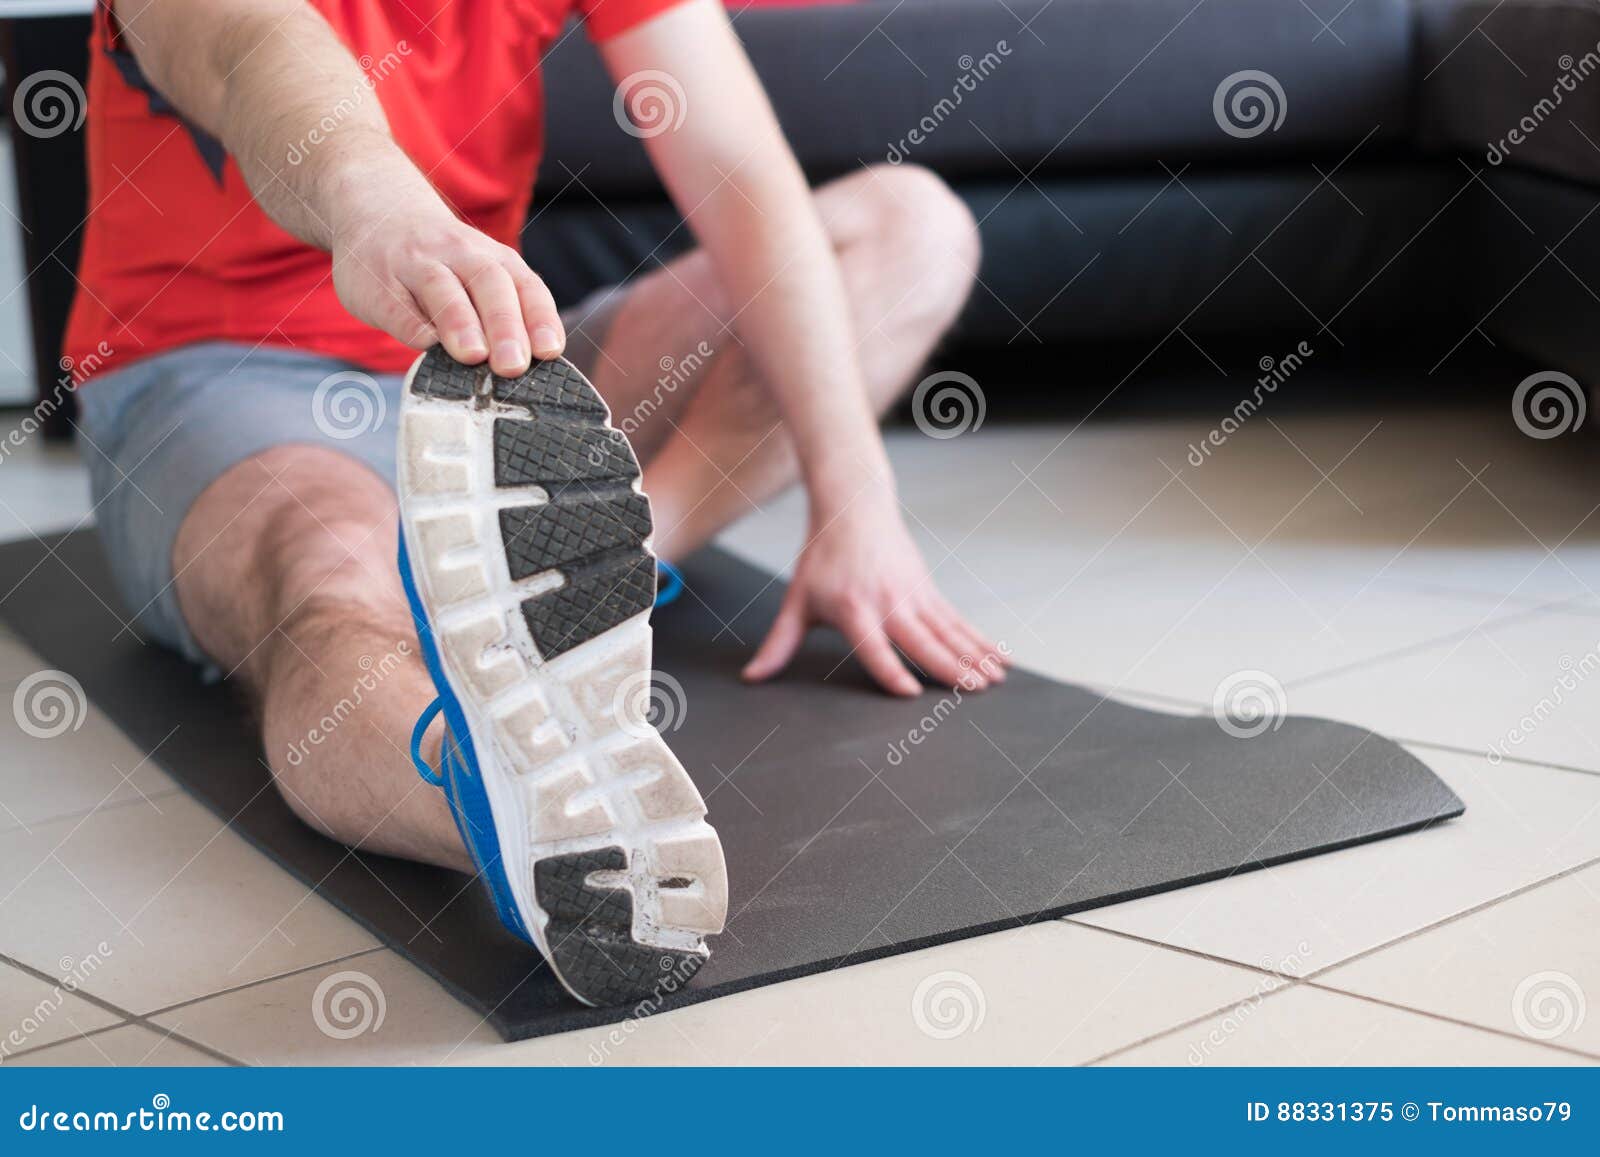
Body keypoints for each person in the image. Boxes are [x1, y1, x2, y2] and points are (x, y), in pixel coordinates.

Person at [66, 0, 1005, 1004]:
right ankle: (494, 797)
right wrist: (378, 202)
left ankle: (613, 559)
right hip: (220, 381)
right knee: (334, 573)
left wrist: (853, 492)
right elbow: (252, 49)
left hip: (478, 353)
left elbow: (734, 164)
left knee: (911, 228)